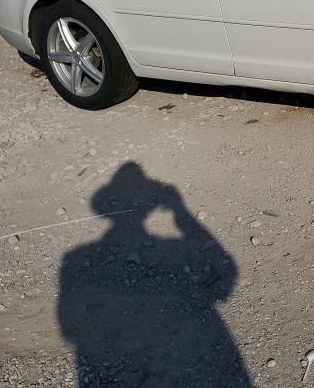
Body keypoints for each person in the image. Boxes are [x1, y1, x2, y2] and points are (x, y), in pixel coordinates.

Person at [57, 162, 251, 387]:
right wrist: (181, 211)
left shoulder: (77, 258)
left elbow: (69, 328)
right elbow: (226, 275)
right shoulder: (175, 250)